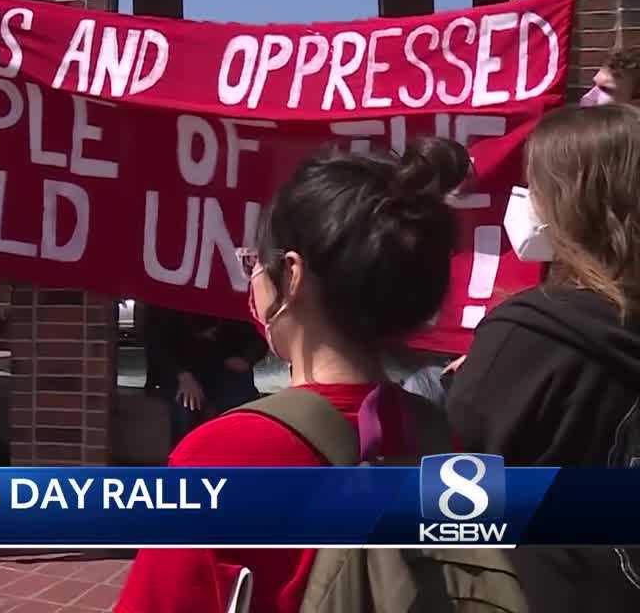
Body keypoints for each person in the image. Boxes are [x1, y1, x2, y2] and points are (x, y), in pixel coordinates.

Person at [116, 137, 471, 613]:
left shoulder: (220, 456)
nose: (253, 281)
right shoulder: (450, 445)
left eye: (255, 264)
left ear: (291, 274)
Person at [446, 104, 640, 611]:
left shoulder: (531, 333)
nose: (525, 201)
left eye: (535, 186)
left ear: (574, 204)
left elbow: (448, 492)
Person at [143, 307, 266, 446]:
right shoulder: (168, 308)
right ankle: (185, 456)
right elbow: (156, 343)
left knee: (239, 406)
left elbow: (259, 333)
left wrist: (247, 358)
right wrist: (181, 374)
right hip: (183, 367)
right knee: (186, 406)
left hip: (227, 364)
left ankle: (233, 454)